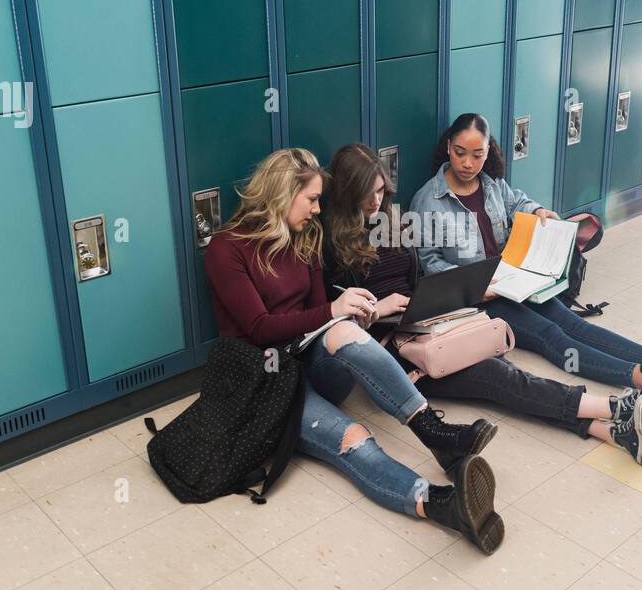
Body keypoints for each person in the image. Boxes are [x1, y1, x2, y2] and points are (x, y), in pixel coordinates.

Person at [203, 148, 503, 553]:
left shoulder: (306, 235)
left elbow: (314, 315)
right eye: (310, 200)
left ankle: (434, 432)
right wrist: (331, 310)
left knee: (344, 331)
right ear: (280, 194)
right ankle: (443, 506)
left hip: (308, 361)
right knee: (354, 437)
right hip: (266, 382)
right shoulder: (227, 248)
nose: (316, 210)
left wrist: (354, 315)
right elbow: (258, 329)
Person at [322, 143, 642, 464]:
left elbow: (415, 278)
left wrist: (439, 295)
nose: (374, 201)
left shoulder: (391, 222)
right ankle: (616, 407)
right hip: (395, 351)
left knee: (504, 375)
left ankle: (612, 433)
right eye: (366, 194)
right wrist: (378, 308)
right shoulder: (329, 245)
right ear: (345, 191)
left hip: (427, 320)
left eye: (380, 191)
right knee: (501, 378)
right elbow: (332, 324)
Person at [409, 113, 642, 406]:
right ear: (449, 147)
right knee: (550, 336)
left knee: (575, 325)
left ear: (488, 153)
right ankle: (641, 377)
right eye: (460, 153)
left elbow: (519, 202)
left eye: (478, 155)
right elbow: (429, 263)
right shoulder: (428, 200)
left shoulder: (492, 185)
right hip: (478, 298)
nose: (468, 164)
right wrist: (475, 286)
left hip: (513, 279)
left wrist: (538, 211)